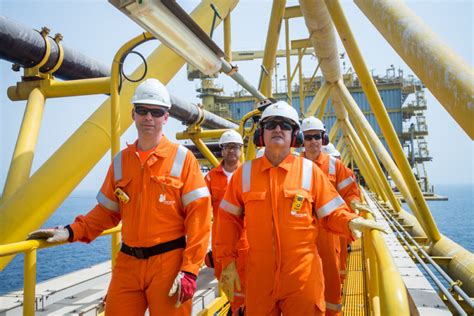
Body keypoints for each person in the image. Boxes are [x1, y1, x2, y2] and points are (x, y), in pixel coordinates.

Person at [28, 78, 211, 316]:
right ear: (133, 113)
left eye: (156, 112)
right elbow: (106, 211)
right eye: (143, 111)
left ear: (166, 117)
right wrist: (71, 231)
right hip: (128, 262)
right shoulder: (121, 162)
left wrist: (189, 270)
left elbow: (199, 218)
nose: (149, 117)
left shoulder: (183, 159)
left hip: (169, 263)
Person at [215, 101, 384, 315]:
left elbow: (331, 212)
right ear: (261, 134)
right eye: (271, 124)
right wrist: (226, 261)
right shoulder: (244, 174)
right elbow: (227, 221)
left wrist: (349, 221)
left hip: (301, 274)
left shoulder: (309, 171)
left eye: (285, 125)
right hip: (259, 276)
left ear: (295, 136)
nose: (278, 129)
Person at [301, 118, 371, 315]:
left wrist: (354, 202)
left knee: (331, 280)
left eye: (317, 136)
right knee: (303, 282)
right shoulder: (295, 166)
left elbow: (349, 190)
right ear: (301, 140)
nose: (313, 141)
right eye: (308, 137)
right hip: (301, 233)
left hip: (328, 232)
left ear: (323, 139)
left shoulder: (334, 166)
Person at [204, 130, 247, 315]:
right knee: (228, 282)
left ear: (241, 150)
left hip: (247, 239)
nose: (232, 151)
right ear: (222, 150)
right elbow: (201, 208)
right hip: (222, 242)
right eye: (228, 147)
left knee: (248, 281)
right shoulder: (210, 177)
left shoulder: (249, 174)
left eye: (235, 147)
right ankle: (236, 307)